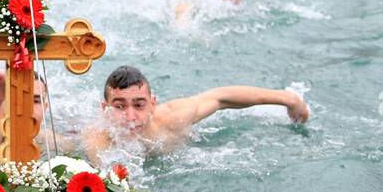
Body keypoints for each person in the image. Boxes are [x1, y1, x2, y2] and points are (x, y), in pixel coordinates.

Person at [82, 65, 309, 162]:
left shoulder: (172, 119)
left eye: (139, 105)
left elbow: (220, 97)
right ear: (105, 109)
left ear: (153, 104)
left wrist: (288, 99)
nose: (130, 116)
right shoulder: (98, 141)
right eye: (119, 106)